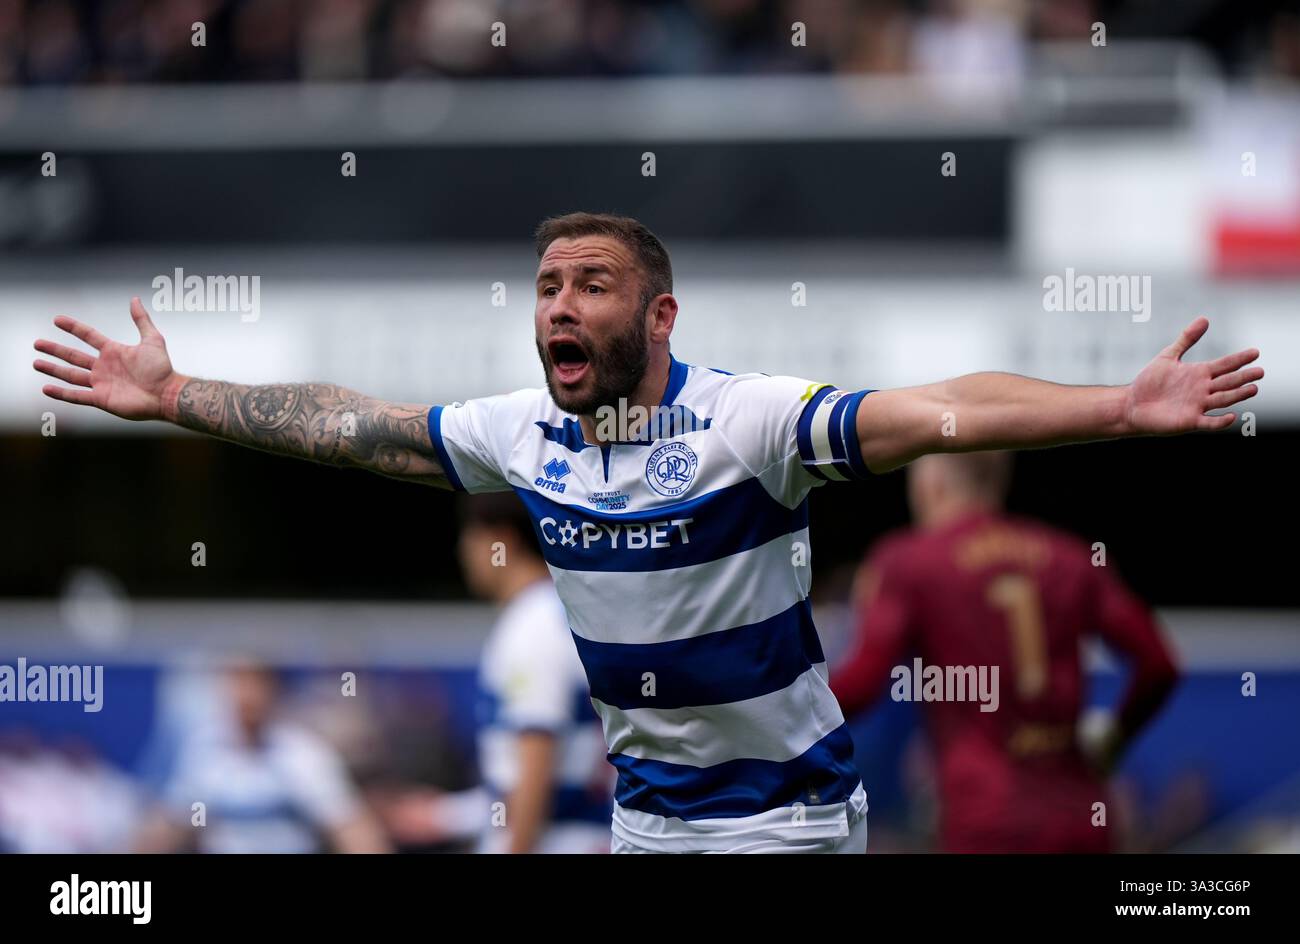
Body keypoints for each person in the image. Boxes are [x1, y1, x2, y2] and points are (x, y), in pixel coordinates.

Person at [34, 212, 1262, 853]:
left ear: (659, 311)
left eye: (591, 285)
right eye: (547, 288)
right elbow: (352, 424)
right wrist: (178, 395)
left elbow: (945, 408)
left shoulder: (750, 424)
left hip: (779, 821)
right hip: (646, 820)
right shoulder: (523, 436)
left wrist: (1115, 406)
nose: (558, 306)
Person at [831, 452, 1180, 852]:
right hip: (1081, 816)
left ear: (933, 481)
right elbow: (1159, 664)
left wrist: (775, 727)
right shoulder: (1069, 556)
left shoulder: (911, 561)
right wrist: (1115, 738)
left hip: (986, 820)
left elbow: (863, 681)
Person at [136, 663, 390, 853]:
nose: (247, 696)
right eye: (238, 682)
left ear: (273, 690)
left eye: (256, 683)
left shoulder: (302, 753)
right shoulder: (204, 751)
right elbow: (172, 825)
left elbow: (351, 827)